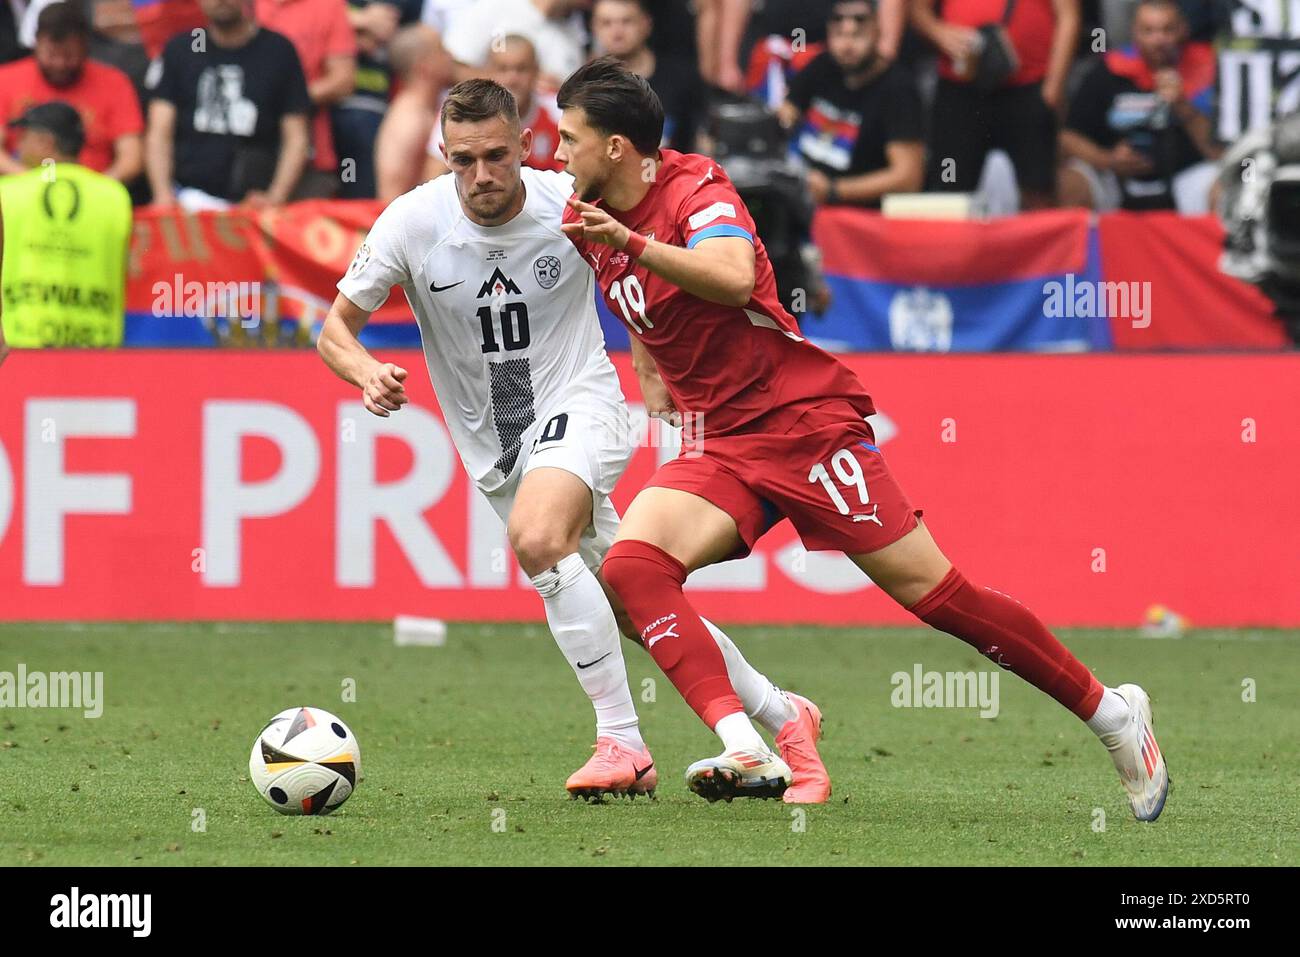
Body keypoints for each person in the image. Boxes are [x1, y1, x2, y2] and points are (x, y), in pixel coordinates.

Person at [556, 56, 1169, 819]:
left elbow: (733, 274)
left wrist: (638, 244)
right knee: (634, 568)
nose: (559, 153)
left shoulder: (696, 188)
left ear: (616, 147)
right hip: (720, 440)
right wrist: (656, 385)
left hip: (800, 423)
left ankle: (1112, 713)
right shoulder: (587, 220)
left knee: (938, 595)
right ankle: (748, 741)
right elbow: (636, 308)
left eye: (570, 136)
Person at [318, 78, 831, 803]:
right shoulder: (411, 223)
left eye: (497, 155)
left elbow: (640, 285)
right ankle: (784, 712)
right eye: (463, 160)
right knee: (630, 603)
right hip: (495, 448)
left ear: (525, 146)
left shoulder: (569, 204)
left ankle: (623, 740)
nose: (482, 175)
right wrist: (366, 371)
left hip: (580, 404)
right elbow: (333, 330)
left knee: (537, 536)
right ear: (443, 153)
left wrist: (653, 376)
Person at [912, 0, 1080, 209]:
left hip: (1029, 88)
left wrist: (1053, 88)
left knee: (1037, 191)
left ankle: (1039, 241)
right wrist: (938, 32)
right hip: (959, 90)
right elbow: (917, 9)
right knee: (950, 188)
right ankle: (953, 241)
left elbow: (1068, 16)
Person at [145, 0, 311, 208]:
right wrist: (163, 195)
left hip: (254, 206)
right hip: (186, 200)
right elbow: (159, 131)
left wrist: (275, 198)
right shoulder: (179, 50)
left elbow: (296, 136)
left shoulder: (279, 51)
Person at [1059, 0, 1219, 212]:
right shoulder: (1109, 69)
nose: (1158, 40)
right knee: (1069, 182)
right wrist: (1107, 160)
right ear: (1134, 33)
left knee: (1226, 188)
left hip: (1187, 174)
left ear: (1184, 30)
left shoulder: (1208, 69)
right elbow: (1068, 137)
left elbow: (1219, 152)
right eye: (1148, 31)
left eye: (1167, 30)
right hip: (1117, 176)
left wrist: (1183, 106)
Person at [0, 101, 132, 348]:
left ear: (45, 142)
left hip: (20, 341)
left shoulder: (8, 192)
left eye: (24, 137)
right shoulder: (115, 196)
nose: (18, 146)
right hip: (96, 344)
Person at [778, 0, 924, 207]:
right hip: (804, 196)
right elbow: (787, 111)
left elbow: (908, 177)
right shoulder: (822, 65)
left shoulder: (898, 89)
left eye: (857, 35)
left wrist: (835, 190)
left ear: (877, 30)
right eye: (839, 35)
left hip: (860, 215)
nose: (847, 45)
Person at [0, 2, 143, 182]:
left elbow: (130, 158)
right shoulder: (6, 79)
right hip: (20, 189)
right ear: (36, 44)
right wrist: (36, 183)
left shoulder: (114, 82)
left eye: (69, 55)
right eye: (51, 54)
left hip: (93, 190)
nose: (59, 64)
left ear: (85, 47)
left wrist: (92, 189)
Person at [424, 34, 563, 181]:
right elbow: (434, 177)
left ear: (536, 71)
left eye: (521, 69)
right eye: (503, 69)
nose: (512, 79)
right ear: (486, 72)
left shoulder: (559, 111)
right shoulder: (459, 111)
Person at [254, 0, 357, 198]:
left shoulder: (328, 6)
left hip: (311, 153)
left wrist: (285, 100)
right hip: (243, 151)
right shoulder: (246, 5)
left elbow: (343, 81)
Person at [591, 0, 697, 152]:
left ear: (646, 24)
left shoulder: (683, 79)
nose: (617, 32)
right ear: (594, 28)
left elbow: (700, 139)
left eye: (627, 22)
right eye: (606, 23)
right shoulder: (587, 85)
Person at [374, 24, 453, 202]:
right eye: (442, 50)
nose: (450, 56)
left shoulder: (431, 108)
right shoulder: (409, 120)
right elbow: (389, 198)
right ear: (424, 67)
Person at [441, 0, 588, 88]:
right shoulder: (499, 6)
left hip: (547, 132)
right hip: (490, 126)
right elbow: (448, 66)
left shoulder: (578, 29)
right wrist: (513, 81)